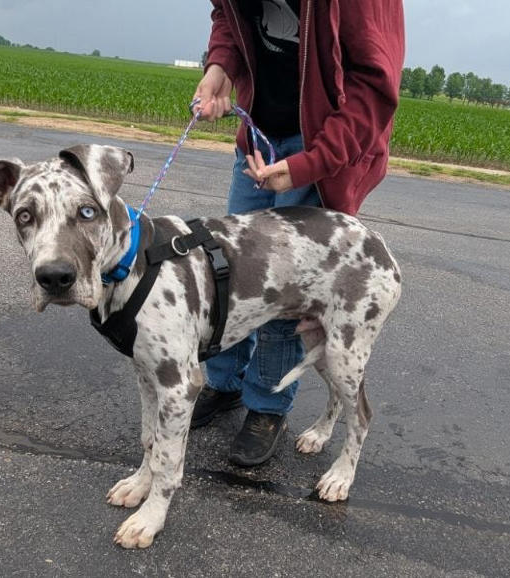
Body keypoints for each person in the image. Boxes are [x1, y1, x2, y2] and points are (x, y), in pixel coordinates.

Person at [190, 0, 405, 467]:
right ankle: (225, 384)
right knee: (231, 272)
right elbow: (228, 15)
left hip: (321, 144)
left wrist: (310, 164)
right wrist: (220, 66)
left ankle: (267, 407)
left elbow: (375, 90)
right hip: (259, 136)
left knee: (285, 294)